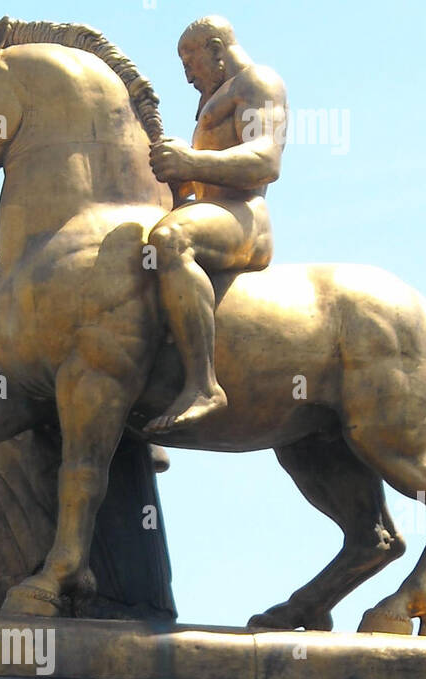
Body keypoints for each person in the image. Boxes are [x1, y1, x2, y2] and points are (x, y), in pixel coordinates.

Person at [145, 16, 287, 434]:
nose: (188, 75)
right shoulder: (217, 97)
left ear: (214, 48)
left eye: (191, 62)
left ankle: (204, 385)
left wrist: (191, 160)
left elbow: (265, 160)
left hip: (244, 218)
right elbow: (203, 178)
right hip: (215, 213)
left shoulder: (257, 82)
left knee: (170, 239)